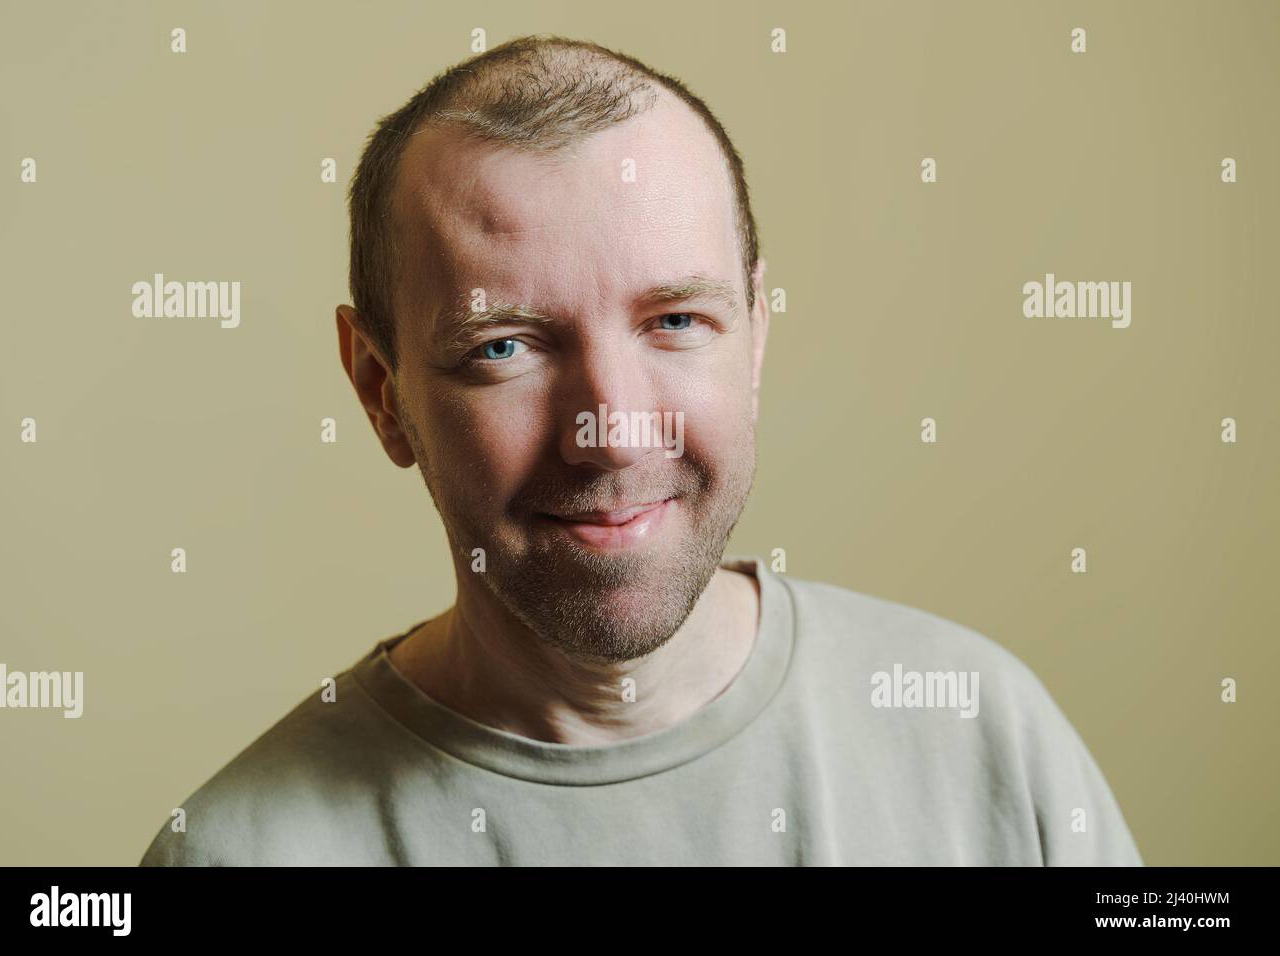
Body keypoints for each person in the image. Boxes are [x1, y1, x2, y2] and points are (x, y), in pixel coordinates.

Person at [140, 34, 1141, 866]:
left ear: (755, 333)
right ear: (380, 392)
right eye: (506, 347)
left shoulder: (982, 732)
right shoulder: (242, 852)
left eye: (673, 321)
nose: (612, 428)